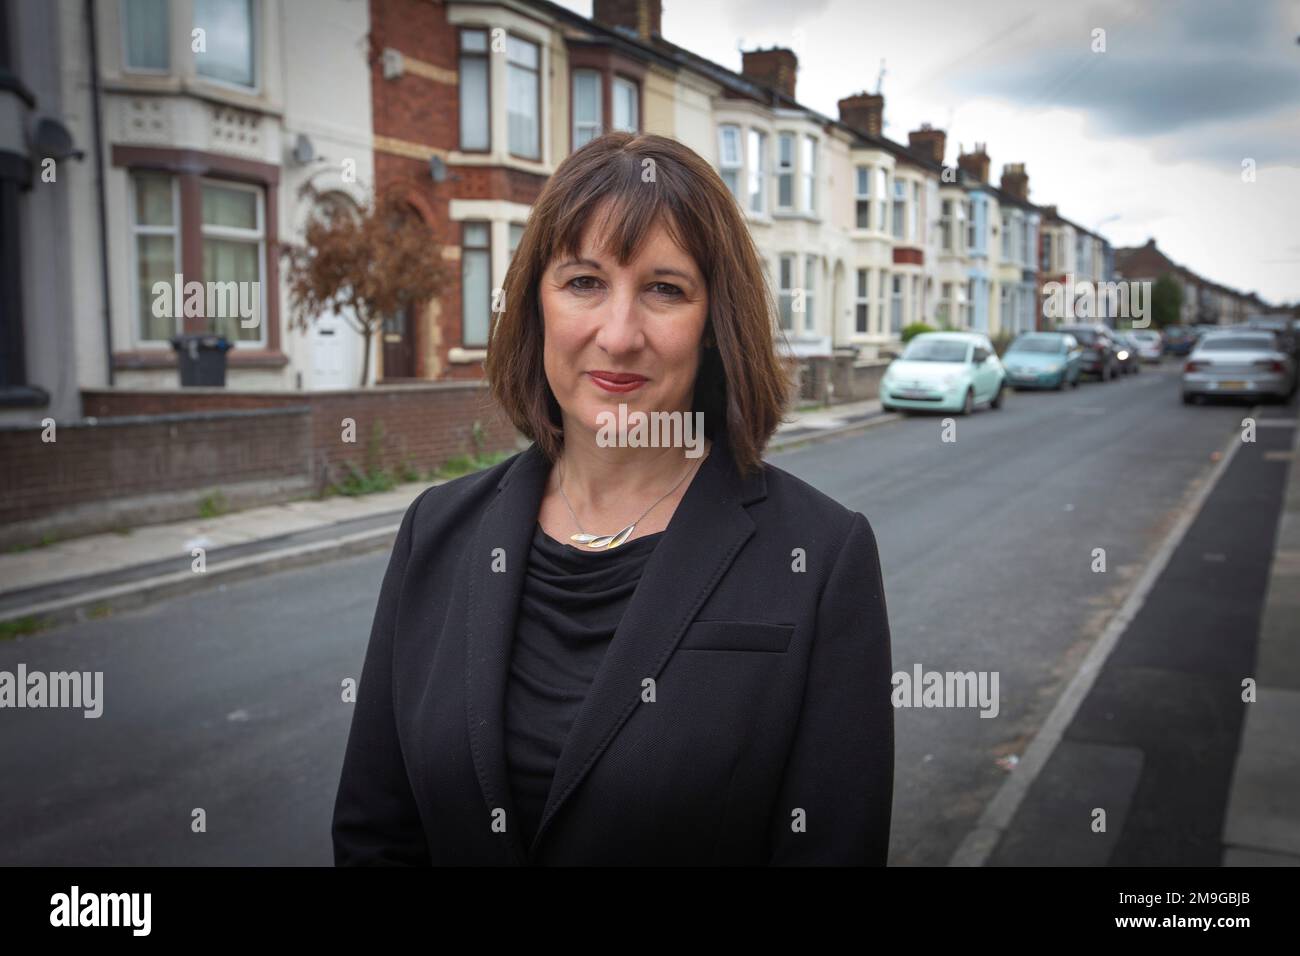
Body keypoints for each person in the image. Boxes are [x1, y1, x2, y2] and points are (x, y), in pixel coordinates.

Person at [332, 132, 893, 865]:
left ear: (716, 324)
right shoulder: (437, 533)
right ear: (536, 306)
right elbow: (377, 833)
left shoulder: (821, 557)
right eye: (584, 282)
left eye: (665, 289)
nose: (619, 335)